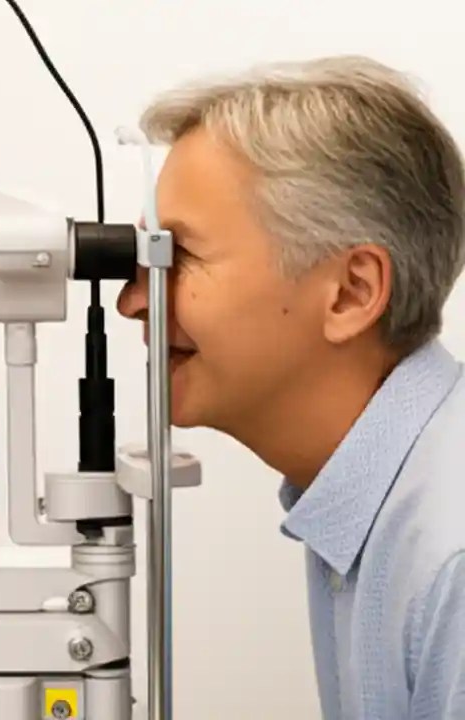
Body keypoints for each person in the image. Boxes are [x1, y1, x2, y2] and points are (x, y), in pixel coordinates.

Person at [118, 55, 465, 718]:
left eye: (176, 256)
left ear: (350, 293)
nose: (135, 301)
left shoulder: (450, 555)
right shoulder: (376, 503)